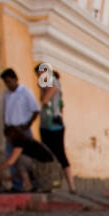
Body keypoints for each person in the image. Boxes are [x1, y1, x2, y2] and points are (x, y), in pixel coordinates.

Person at [0, 68, 56, 192]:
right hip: (11, 130)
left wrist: (26, 125)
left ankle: (30, 183)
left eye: (9, 81)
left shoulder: (25, 92)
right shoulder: (5, 94)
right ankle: (18, 185)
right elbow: (5, 112)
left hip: (21, 130)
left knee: (20, 160)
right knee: (13, 157)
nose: (8, 85)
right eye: (5, 82)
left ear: (15, 79)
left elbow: (35, 110)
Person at [35, 64, 75, 192]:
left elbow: (45, 99)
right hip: (46, 125)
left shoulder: (53, 83)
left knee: (60, 154)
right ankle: (50, 183)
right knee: (48, 154)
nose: (38, 78)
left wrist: (43, 91)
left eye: (39, 75)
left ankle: (71, 186)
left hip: (54, 126)